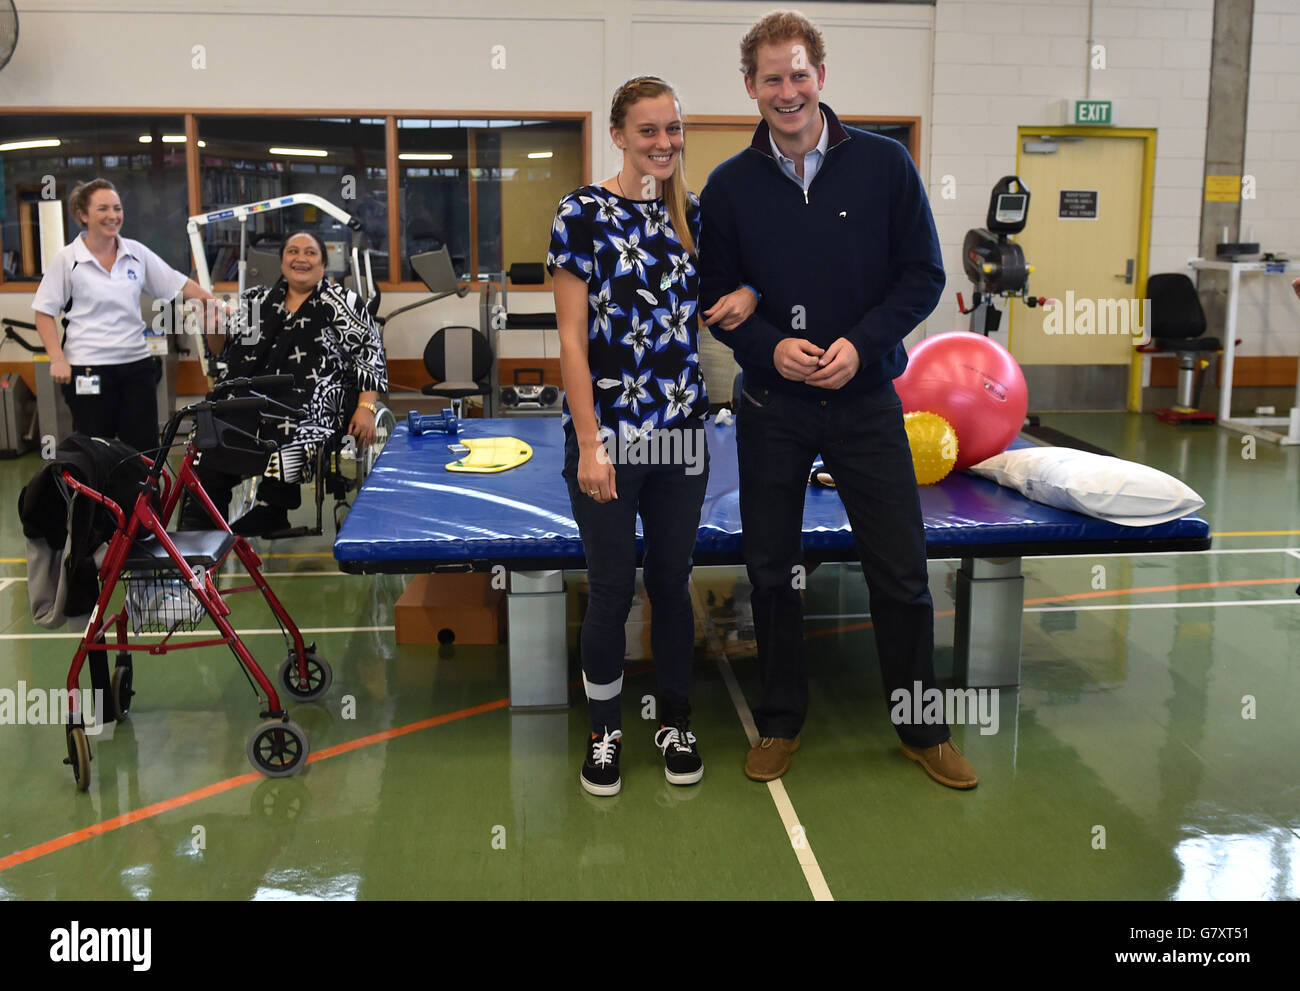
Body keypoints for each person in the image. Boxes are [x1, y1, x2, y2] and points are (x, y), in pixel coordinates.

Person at [699, 10, 978, 789]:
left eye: (798, 74)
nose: (786, 91)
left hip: (864, 402)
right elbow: (718, 297)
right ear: (750, 87)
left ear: (820, 74)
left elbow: (922, 274)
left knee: (901, 570)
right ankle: (781, 719)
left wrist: (859, 344)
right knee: (771, 570)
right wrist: (768, 349)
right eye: (770, 78)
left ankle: (923, 728)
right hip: (771, 408)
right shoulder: (728, 187)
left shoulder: (886, 166)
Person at [548, 75, 756, 796]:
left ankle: (675, 720)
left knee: (671, 583)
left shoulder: (691, 216)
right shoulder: (581, 214)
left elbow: (725, 297)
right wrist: (591, 443)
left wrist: (749, 295)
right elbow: (571, 341)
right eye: (648, 131)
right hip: (610, 436)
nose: (664, 143)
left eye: (673, 129)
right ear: (619, 135)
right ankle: (604, 733)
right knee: (610, 589)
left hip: (680, 434)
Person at [181, 230, 386, 535]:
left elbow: (368, 354)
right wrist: (213, 325)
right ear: (281, 261)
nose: (300, 258)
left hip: (316, 398)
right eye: (292, 251)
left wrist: (367, 407)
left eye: (310, 252)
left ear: (323, 263)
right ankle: (202, 516)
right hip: (253, 391)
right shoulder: (257, 299)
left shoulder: (342, 302)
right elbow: (222, 349)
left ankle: (273, 508)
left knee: (290, 421)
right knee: (216, 421)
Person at [31, 178, 225, 455]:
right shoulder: (67, 259)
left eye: (117, 208)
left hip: (136, 367)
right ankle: (99, 500)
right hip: (89, 368)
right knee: (96, 452)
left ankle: (142, 499)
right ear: (84, 215)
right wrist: (57, 358)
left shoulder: (135, 252)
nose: (112, 216)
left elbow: (178, 284)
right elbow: (44, 313)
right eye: (103, 209)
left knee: (143, 451)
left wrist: (217, 304)